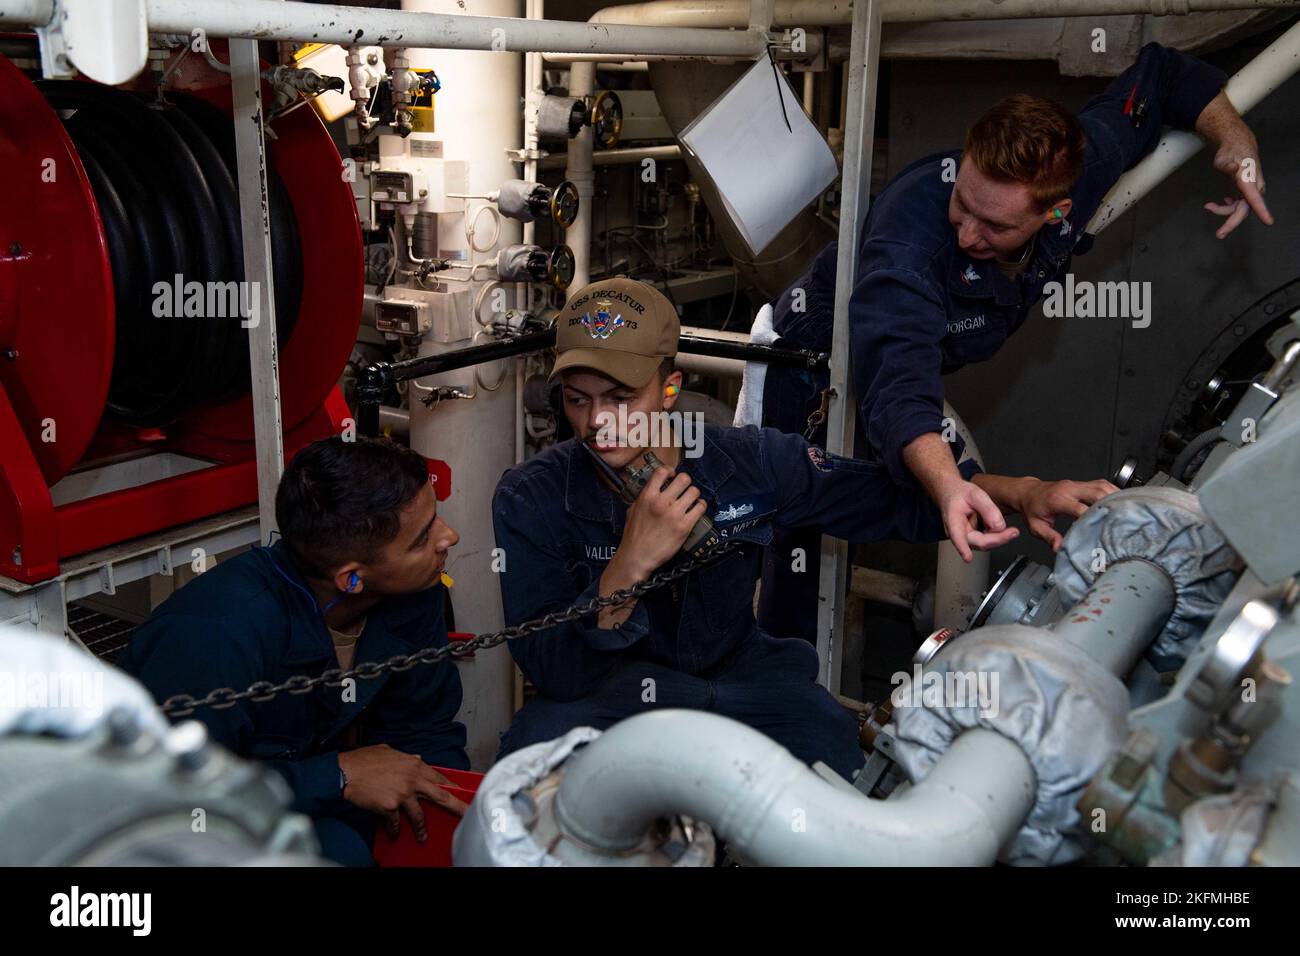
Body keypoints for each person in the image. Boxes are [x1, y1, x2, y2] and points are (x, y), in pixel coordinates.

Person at [758, 41, 1271, 642]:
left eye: (996, 225)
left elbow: (1160, 76)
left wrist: (1236, 139)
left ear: (1055, 213)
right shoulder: (908, 245)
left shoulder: (1080, 168)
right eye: (962, 205)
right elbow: (897, 383)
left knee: (902, 502)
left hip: (914, 370)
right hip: (813, 361)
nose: (969, 233)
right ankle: (779, 681)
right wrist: (950, 485)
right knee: (797, 534)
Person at [491, 277, 1098, 780]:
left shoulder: (747, 463)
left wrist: (1024, 493)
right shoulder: (531, 498)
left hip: (745, 683)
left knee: (853, 786)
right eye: (576, 399)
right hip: (611, 693)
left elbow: (888, 500)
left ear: (670, 389)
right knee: (522, 776)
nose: (598, 422)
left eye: (620, 397)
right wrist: (625, 570)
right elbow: (551, 670)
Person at [120, 436, 469, 866]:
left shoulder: (414, 590)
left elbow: (425, 730)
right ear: (352, 579)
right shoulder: (211, 637)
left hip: (314, 796)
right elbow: (172, 799)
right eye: (421, 539)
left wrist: (449, 823)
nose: (448, 537)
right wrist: (335, 776)